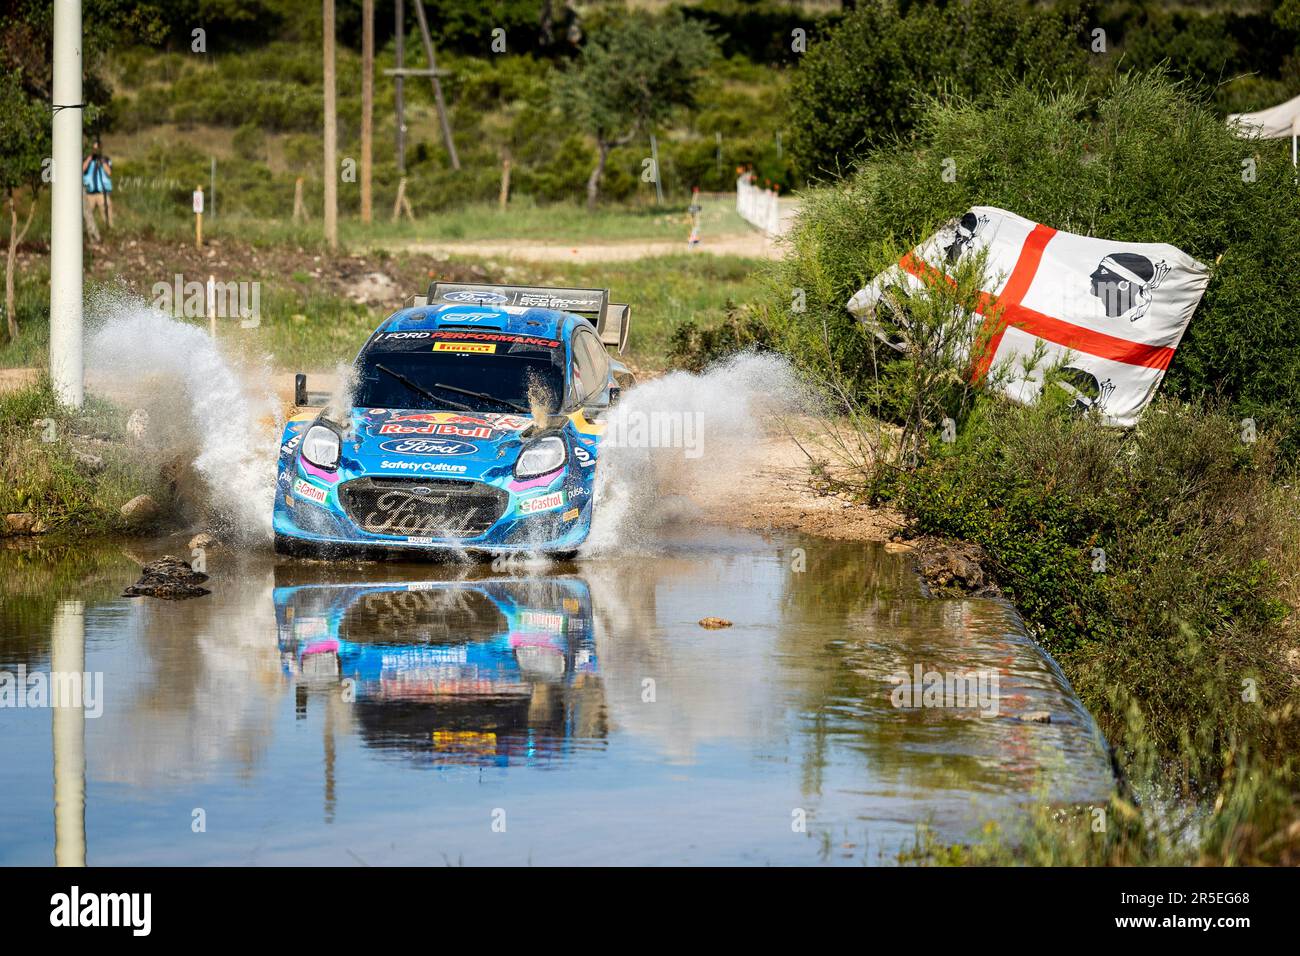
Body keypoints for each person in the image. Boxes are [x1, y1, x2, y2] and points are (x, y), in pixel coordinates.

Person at [82, 138, 113, 235]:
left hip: (102, 193)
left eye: (97, 149)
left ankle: (110, 232)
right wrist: (90, 158)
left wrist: (102, 161)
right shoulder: (88, 160)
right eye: (94, 149)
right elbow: (82, 169)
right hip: (89, 193)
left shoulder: (106, 160)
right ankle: (89, 234)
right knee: (87, 215)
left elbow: (109, 172)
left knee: (107, 214)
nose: (96, 151)